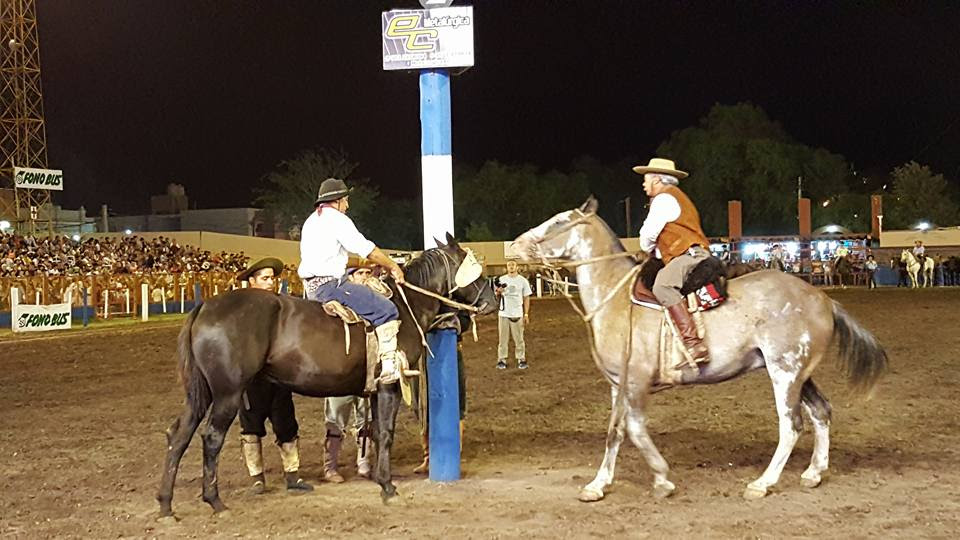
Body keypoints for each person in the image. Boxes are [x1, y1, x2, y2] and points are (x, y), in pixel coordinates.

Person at [297, 177, 407, 386]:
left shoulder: (311, 220)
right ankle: (389, 366)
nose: (347, 206)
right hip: (331, 287)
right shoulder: (338, 220)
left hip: (311, 288)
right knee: (387, 309)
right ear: (337, 201)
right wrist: (392, 266)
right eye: (346, 201)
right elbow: (367, 249)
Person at [236, 257, 314, 494]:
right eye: (265, 278)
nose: (271, 283)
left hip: (280, 377)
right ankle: (257, 478)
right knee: (251, 427)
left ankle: (292, 475)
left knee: (286, 424)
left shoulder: (282, 307)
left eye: (272, 278)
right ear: (252, 281)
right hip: (252, 378)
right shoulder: (240, 310)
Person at [634, 157, 711, 364]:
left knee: (663, 286)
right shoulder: (676, 197)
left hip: (688, 254)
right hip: (691, 252)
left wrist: (646, 248)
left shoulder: (664, 199)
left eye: (646, 179)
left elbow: (648, 234)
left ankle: (694, 344)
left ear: (657, 180)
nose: (643, 184)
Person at [322, 266, 376, 483]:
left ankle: (364, 462)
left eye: (368, 273)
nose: (365, 278)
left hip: (366, 372)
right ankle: (330, 466)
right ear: (350, 277)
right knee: (335, 419)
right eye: (360, 274)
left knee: (366, 419)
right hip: (341, 372)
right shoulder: (336, 304)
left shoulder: (374, 304)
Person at [496, 260, 532, 370]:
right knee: (502, 338)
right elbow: (496, 295)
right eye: (509, 265)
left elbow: (526, 298)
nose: (511, 267)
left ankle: (521, 358)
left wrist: (526, 314)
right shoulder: (501, 279)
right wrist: (498, 292)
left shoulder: (523, 281)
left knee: (519, 338)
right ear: (507, 267)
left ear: (517, 267)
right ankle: (502, 359)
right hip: (504, 313)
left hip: (517, 313)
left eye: (513, 265)